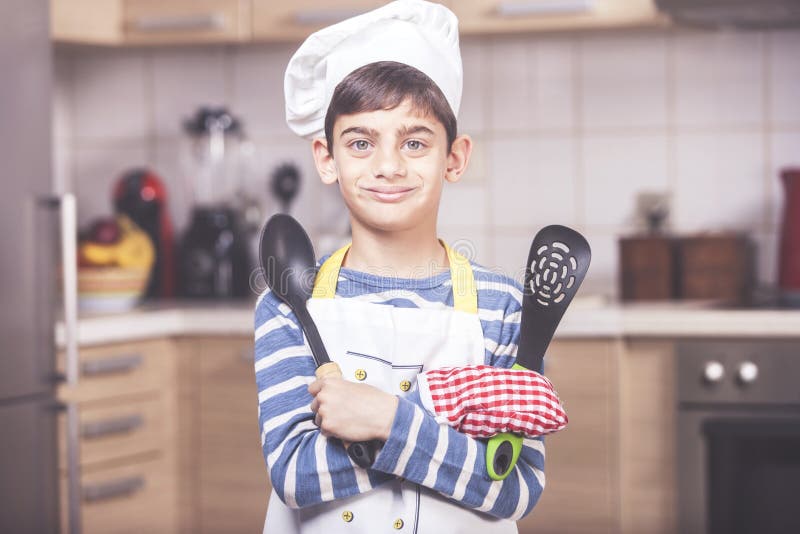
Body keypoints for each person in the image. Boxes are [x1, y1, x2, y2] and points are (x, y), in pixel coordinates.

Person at [254, 1, 561, 532]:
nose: (389, 165)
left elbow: (514, 487)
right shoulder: (289, 302)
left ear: (454, 158)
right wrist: (449, 414)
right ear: (326, 158)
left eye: (415, 142)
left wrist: (388, 418)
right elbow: (295, 475)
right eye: (360, 142)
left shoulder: (506, 308)